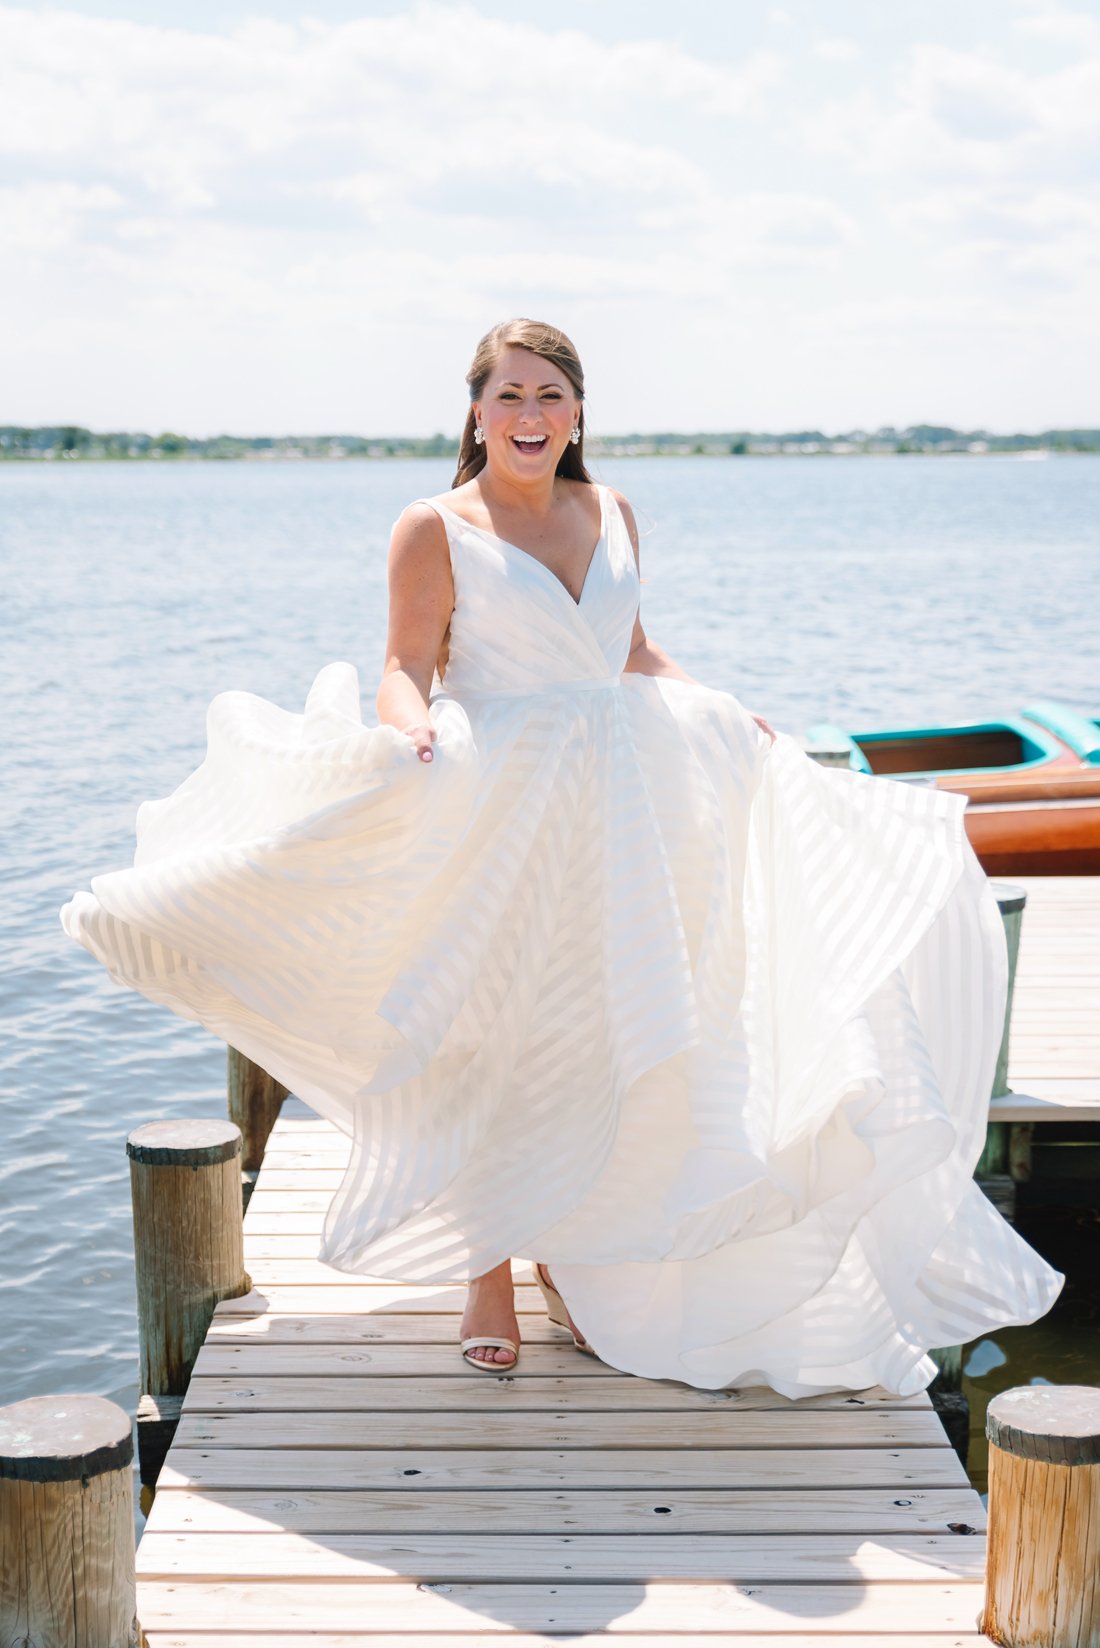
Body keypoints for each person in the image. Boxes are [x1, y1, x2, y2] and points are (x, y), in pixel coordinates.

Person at [61, 317, 1064, 1395]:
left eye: (549, 395)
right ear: (476, 412)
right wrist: (411, 729)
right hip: (498, 803)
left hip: (624, 812)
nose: (529, 415)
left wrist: (726, 710)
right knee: (487, 1034)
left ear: (578, 411)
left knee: (593, 1036)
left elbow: (629, 649)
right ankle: (485, 1274)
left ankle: (566, 1257)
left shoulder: (612, 510)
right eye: (509, 395)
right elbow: (403, 663)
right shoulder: (432, 526)